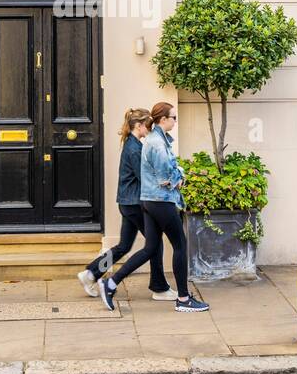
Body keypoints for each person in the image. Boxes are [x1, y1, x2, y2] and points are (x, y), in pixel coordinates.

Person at [97, 101, 209, 313]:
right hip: (161, 201)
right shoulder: (156, 143)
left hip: (149, 201)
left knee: (150, 248)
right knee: (180, 246)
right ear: (163, 119)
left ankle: (109, 284)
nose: (176, 121)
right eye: (173, 118)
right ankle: (184, 299)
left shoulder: (156, 140)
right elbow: (165, 176)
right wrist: (181, 175)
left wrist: (176, 171)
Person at [77, 109, 175, 301]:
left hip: (127, 202)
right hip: (135, 203)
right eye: (148, 125)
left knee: (124, 246)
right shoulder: (135, 149)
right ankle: (159, 287)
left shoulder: (132, 144)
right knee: (154, 245)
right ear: (138, 126)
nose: (150, 129)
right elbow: (145, 177)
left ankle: (91, 273)